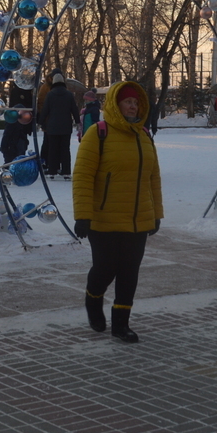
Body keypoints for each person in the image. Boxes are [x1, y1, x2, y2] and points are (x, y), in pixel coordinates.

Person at [72, 81, 163, 343]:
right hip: (104, 219)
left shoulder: (144, 135)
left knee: (129, 272)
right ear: (115, 104)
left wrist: (155, 212)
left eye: (136, 102)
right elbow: (82, 176)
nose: (133, 106)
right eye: (128, 102)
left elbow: (153, 178)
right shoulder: (98, 133)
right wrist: (83, 215)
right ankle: (93, 299)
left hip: (137, 220)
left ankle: (121, 324)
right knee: (104, 269)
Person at [40, 71, 79, 179]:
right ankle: (66, 171)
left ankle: (52, 171)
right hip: (66, 126)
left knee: (53, 149)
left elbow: (45, 110)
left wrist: (41, 122)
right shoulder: (69, 95)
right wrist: (77, 121)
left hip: (52, 126)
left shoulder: (50, 94)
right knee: (65, 149)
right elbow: (74, 109)